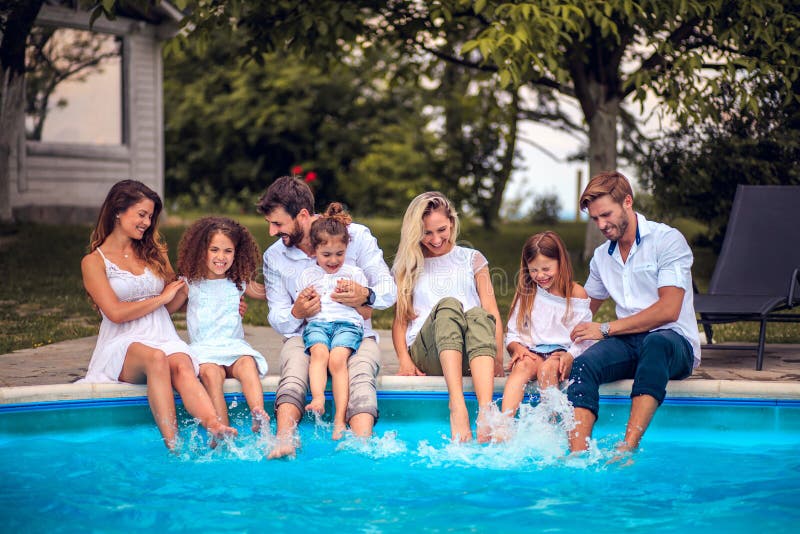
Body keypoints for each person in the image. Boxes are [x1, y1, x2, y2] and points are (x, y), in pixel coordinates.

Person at [80, 180, 237, 449]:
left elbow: (173, 302)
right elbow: (115, 313)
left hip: (162, 334)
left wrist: (223, 303)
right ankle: (173, 444)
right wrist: (161, 298)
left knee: (182, 364)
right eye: (141, 214)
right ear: (118, 211)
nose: (147, 222)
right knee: (156, 359)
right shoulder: (94, 262)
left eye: (150, 217)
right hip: (122, 342)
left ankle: (214, 425)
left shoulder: (154, 253)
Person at [257, 176, 396, 459]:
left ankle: (360, 446)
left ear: (303, 216)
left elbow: (388, 289)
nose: (272, 231)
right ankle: (284, 440)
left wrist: (365, 295)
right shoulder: (275, 257)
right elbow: (277, 316)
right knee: (294, 368)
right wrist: (297, 312)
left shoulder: (355, 236)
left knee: (361, 372)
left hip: (355, 333)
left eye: (278, 224)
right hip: (305, 333)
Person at [568, 171, 700, 454]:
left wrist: (606, 329)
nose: (601, 225)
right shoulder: (602, 256)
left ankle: (626, 450)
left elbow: (669, 310)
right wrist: (556, 349)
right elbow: (583, 311)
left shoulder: (667, 241)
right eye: (595, 219)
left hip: (673, 343)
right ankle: (577, 455)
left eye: (606, 215)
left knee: (656, 343)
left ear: (627, 201)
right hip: (628, 343)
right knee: (583, 365)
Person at [392, 192, 504, 443]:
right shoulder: (409, 265)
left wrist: (497, 358)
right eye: (426, 233)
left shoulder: (472, 259)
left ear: (452, 222)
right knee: (449, 306)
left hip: (474, 352)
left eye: (441, 230)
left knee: (477, 314)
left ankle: (486, 411)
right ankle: (457, 405)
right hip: (430, 354)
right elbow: (400, 321)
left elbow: (492, 311)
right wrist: (404, 361)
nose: (435, 239)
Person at [174, 216, 270, 434]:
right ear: (202, 251)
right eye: (214, 250)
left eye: (228, 251)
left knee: (248, 364)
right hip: (205, 350)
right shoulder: (190, 283)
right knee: (210, 375)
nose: (221, 257)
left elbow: (269, 293)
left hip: (233, 346)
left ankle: (257, 412)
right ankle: (222, 427)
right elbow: (167, 308)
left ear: (237, 253)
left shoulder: (239, 282)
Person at [499, 231, 594, 424]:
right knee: (522, 366)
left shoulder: (576, 294)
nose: (540, 275)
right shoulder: (527, 292)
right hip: (533, 351)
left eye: (546, 269)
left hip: (562, 354)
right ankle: (503, 424)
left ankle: (551, 425)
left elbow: (585, 338)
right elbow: (513, 333)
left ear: (561, 262)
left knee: (547, 369)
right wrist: (517, 348)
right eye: (533, 270)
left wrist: (570, 355)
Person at [298, 203, 371, 440]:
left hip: (347, 325)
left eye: (339, 253)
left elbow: (366, 313)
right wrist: (307, 300)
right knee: (319, 354)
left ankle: (340, 419)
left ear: (346, 248)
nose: (333, 260)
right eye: (326, 255)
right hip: (318, 325)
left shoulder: (354, 274)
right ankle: (318, 398)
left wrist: (354, 297)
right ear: (314, 251)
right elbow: (303, 310)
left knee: (337, 360)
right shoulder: (308, 275)